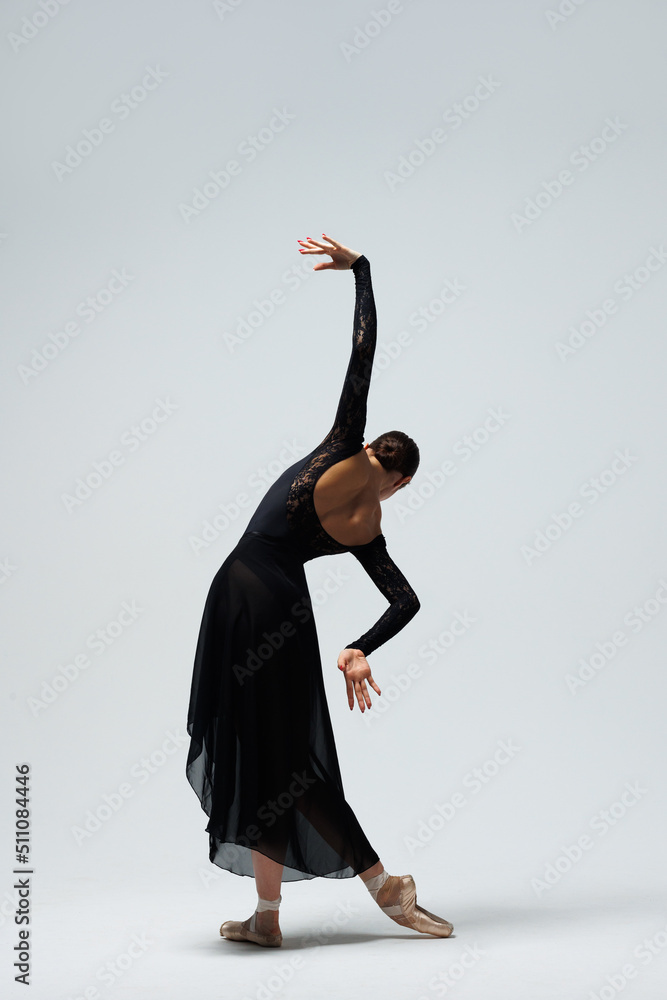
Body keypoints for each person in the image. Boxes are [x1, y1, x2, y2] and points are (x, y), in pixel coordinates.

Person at [185, 234, 453, 947]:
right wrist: (358, 647)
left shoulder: (340, 444)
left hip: (245, 592)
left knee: (268, 756)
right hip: (287, 611)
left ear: (372, 451)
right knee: (274, 758)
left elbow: (361, 352)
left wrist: (360, 271)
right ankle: (269, 917)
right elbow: (405, 601)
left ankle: (380, 884)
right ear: (400, 481)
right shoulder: (370, 529)